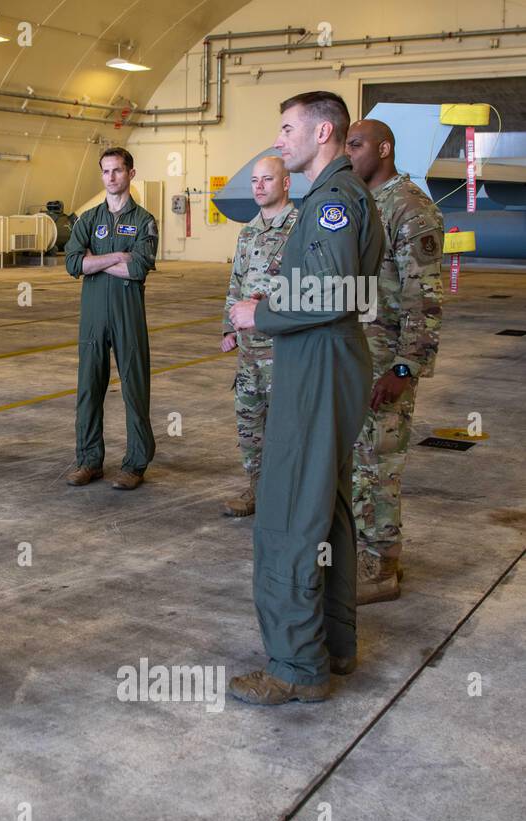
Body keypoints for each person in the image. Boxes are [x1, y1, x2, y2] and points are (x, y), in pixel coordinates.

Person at [228, 91, 383, 705]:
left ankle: (295, 666)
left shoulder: (331, 205)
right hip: (327, 358)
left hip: (318, 359)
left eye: (288, 128)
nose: (280, 139)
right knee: (328, 507)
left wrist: (256, 311)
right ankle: (335, 644)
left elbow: (329, 294)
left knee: (290, 511)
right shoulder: (333, 198)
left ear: (324, 134)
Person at [345, 118, 445, 604]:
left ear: (384, 149)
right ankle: (366, 551)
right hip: (354, 358)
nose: (348, 152)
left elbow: (424, 297)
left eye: (356, 144)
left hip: (387, 364)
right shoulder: (364, 204)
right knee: (356, 465)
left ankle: (381, 568)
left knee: (378, 466)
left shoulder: (410, 208)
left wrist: (404, 368)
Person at [63, 147, 159, 490]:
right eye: (106, 171)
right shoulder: (88, 220)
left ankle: (135, 463)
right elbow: (74, 264)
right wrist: (118, 255)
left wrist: (98, 259)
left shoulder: (145, 220)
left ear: (131, 173)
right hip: (92, 317)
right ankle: (89, 460)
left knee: (135, 387)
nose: (111, 177)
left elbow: (137, 268)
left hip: (127, 316)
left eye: (117, 170)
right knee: (88, 388)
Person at [220, 156, 298, 517]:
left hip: (284, 348)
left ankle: (287, 496)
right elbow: (236, 282)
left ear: (286, 184)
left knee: (286, 426)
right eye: (254, 181)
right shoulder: (248, 231)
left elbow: (308, 287)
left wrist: (266, 306)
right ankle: (256, 489)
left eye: (267, 179)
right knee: (249, 422)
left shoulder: (300, 228)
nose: (259, 186)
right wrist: (228, 327)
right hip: (248, 349)